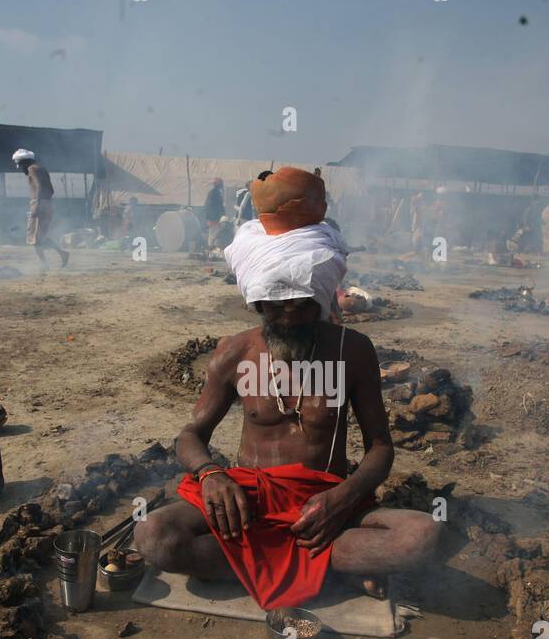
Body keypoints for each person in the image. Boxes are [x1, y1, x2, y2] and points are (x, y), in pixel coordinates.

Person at [135, 166, 440, 607]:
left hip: (322, 508)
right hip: (245, 503)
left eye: (301, 306)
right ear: (256, 301)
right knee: (154, 537)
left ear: (320, 297)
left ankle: (254, 567)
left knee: (422, 537)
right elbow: (190, 435)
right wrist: (211, 475)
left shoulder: (352, 351)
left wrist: (343, 497)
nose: (289, 317)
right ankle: (326, 569)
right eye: (275, 308)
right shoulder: (234, 353)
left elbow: (380, 447)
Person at [12, 148, 68, 269]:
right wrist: (45, 202)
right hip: (47, 204)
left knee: (34, 237)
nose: (21, 169)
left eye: (20, 165)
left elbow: (39, 185)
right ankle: (62, 254)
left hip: (38, 204)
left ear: (23, 162)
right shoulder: (42, 169)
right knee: (40, 237)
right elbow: (51, 190)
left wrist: (36, 206)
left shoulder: (32, 169)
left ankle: (44, 264)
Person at [204, 177, 225, 247]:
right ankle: (211, 248)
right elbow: (210, 206)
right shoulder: (215, 193)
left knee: (213, 232)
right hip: (214, 217)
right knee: (213, 232)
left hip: (214, 217)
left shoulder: (216, 192)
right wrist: (210, 218)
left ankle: (211, 247)